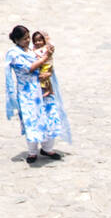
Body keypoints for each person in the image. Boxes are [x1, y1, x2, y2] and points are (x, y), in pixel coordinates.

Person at [5, 23, 71, 164]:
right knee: (32, 120)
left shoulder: (32, 50)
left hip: (43, 89)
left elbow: (47, 65)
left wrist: (48, 71)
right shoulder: (14, 54)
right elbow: (29, 68)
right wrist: (45, 56)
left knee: (49, 116)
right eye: (24, 39)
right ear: (16, 40)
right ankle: (32, 152)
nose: (28, 41)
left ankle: (47, 148)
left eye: (28, 37)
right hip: (28, 94)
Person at [32, 29, 55, 97]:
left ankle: (48, 90)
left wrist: (47, 39)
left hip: (47, 65)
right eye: (35, 41)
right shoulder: (34, 48)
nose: (37, 43)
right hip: (44, 65)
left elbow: (50, 50)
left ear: (44, 40)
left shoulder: (46, 48)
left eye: (39, 40)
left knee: (43, 76)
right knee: (45, 77)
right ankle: (49, 90)